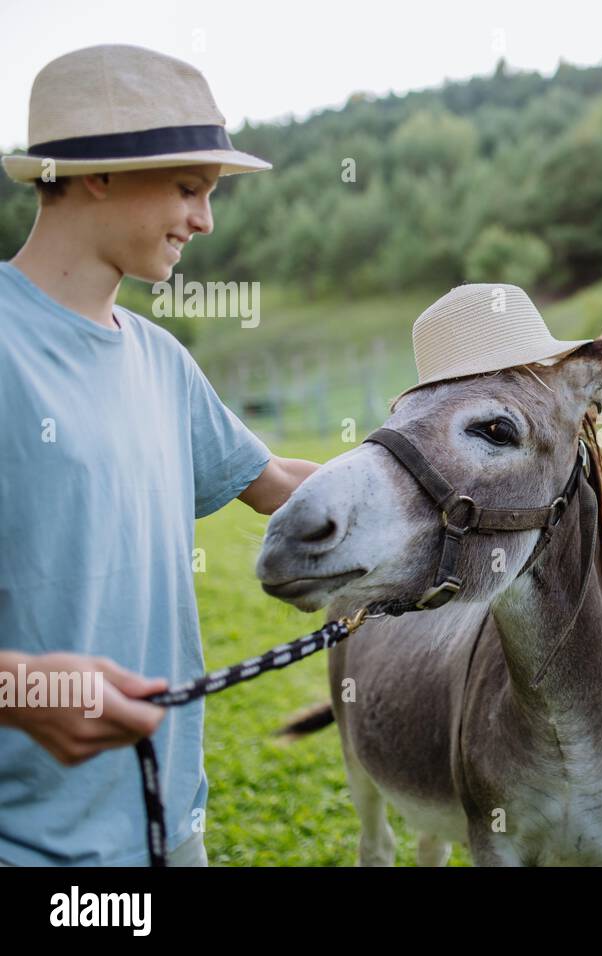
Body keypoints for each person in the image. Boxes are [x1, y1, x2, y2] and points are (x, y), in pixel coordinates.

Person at [0, 45, 317, 866]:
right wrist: (25, 689)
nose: (206, 221)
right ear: (96, 172)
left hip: (171, 823)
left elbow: (278, 485)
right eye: (188, 189)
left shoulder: (160, 358)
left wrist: (438, 484)